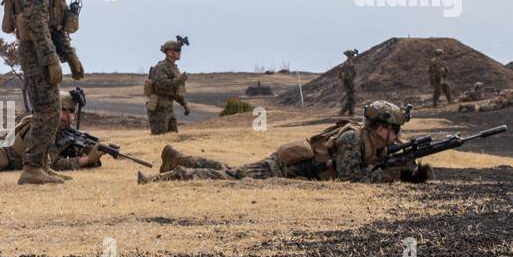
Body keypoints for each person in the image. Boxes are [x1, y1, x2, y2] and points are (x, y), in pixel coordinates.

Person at [137, 101, 430, 184]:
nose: (397, 136)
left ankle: (176, 157)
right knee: (233, 177)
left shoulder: (369, 138)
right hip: (287, 167)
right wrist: (387, 176)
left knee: (232, 169)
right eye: (394, 130)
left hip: (293, 165)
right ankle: (173, 175)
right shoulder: (354, 138)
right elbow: (350, 176)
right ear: (380, 128)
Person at [10, 0, 83, 185]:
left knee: (50, 109)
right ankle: (31, 168)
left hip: (42, 54)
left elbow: (55, 24)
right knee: (47, 110)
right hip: (37, 56)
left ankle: (41, 165)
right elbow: (37, 24)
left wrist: (71, 57)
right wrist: (51, 60)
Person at [145, 38, 190, 133]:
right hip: (159, 109)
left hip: (169, 108)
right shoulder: (161, 67)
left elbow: (175, 91)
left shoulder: (173, 67)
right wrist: (179, 80)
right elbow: (162, 85)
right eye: (177, 50)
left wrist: (184, 104)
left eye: (179, 50)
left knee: (173, 136)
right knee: (159, 138)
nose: (179, 53)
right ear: (169, 52)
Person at [338, 49, 358, 116]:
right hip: (348, 83)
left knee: (351, 98)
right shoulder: (347, 64)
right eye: (353, 55)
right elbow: (348, 77)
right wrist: (352, 86)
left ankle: (351, 112)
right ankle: (343, 111)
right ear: (350, 56)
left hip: (348, 83)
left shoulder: (349, 63)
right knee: (351, 98)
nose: (354, 56)